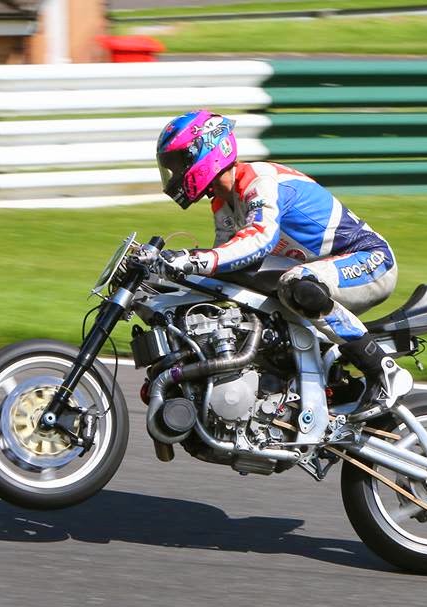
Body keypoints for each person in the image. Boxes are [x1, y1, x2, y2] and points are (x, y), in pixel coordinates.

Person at [155, 109, 413, 418]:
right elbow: (228, 262)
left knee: (296, 285)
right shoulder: (223, 202)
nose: (175, 174)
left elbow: (259, 240)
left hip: (369, 259)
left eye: (178, 163)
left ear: (207, 151)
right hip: (324, 269)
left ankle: (385, 372)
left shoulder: (260, 182)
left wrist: (195, 260)